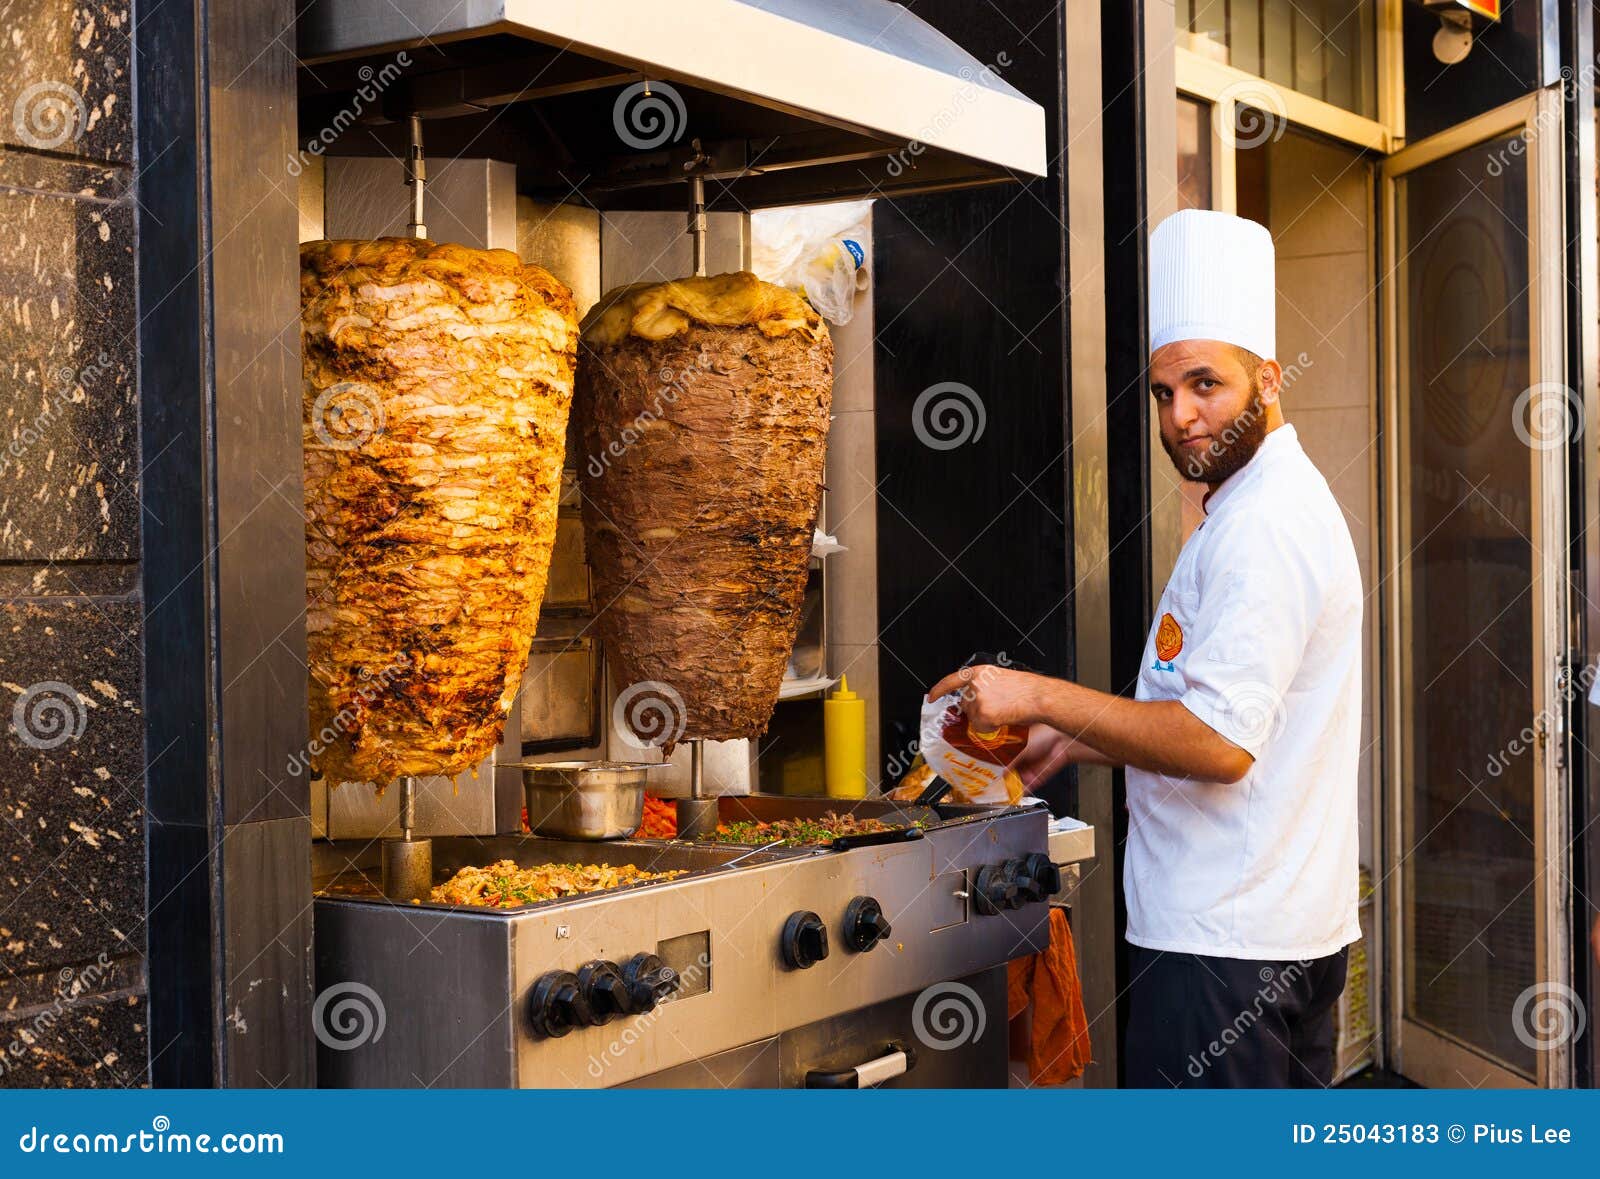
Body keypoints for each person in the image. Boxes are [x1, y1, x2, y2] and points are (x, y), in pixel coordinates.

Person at [927, 209, 1362, 1088]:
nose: (1183, 417)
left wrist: (1042, 697)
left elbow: (1220, 744)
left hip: (1224, 953)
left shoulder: (1265, 526)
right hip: (1270, 933)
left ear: (1269, 378)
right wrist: (1077, 742)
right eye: (1165, 394)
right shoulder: (1249, 505)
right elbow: (1220, 712)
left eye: (1207, 384)